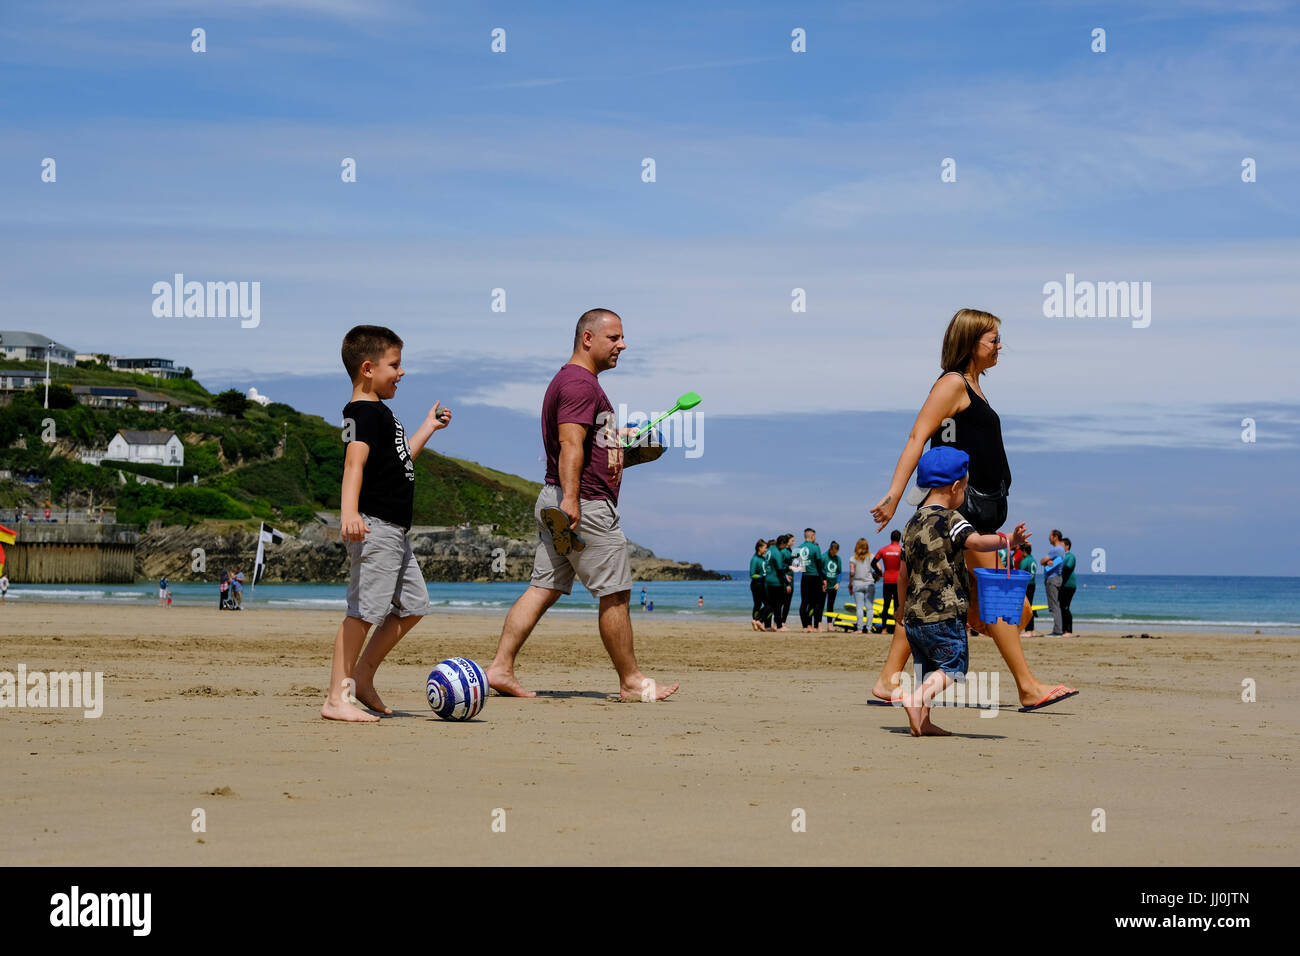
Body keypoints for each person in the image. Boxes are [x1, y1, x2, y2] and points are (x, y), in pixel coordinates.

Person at [869, 308, 1076, 711]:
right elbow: (917, 436)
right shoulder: (952, 384)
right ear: (970, 344)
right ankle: (1028, 687)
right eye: (993, 340)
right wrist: (894, 495)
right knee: (1000, 598)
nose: (1000, 347)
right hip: (963, 514)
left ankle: (888, 679)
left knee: (923, 593)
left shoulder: (974, 386)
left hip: (975, 507)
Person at [486, 309, 678, 701]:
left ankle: (500, 668)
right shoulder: (579, 384)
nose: (622, 345)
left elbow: (588, 443)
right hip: (584, 504)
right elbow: (570, 443)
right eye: (615, 338)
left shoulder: (576, 383)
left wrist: (623, 442)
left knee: (544, 587)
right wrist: (573, 499)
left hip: (560, 498)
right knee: (617, 594)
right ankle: (631, 682)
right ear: (587, 339)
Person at [322, 324, 453, 722]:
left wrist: (427, 427)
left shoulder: (381, 412)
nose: (401, 372)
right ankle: (336, 698)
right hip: (375, 526)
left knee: (414, 605)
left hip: (396, 532)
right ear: (367, 368)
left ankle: (362, 677)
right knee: (362, 612)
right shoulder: (361, 412)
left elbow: (401, 460)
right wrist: (349, 512)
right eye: (395, 364)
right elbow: (353, 463)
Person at [896, 447, 1033, 736]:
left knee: (926, 668)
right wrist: (1009, 539)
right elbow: (978, 543)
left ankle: (922, 720)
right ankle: (915, 699)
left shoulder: (911, 525)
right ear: (957, 486)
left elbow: (903, 574)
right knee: (952, 666)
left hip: (914, 615)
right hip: (944, 612)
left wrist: (900, 608)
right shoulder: (951, 519)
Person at [796, 528, 827, 632]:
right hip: (815, 577)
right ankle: (814, 626)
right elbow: (819, 566)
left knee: (804, 602)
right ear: (812, 536)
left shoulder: (799, 548)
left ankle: (805, 626)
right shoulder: (815, 548)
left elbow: (794, 565)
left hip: (805, 577)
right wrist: (824, 579)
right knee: (815, 603)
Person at [872, 532, 902, 634]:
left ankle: (884, 629)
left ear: (890, 538)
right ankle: (896, 629)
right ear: (900, 538)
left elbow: (873, 562)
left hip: (887, 580)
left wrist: (879, 573)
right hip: (898, 581)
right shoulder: (901, 550)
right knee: (897, 606)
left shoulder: (884, 550)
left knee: (886, 605)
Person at [1041, 529, 1066, 636]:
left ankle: (1057, 630)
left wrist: (1046, 561)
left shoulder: (1056, 550)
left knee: (1054, 605)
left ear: (1055, 537)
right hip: (1058, 578)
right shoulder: (1062, 549)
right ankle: (1058, 629)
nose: (1049, 538)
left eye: (1050, 536)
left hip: (1052, 578)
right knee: (1056, 604)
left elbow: (1042, 561)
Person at [849, 538, 875, 634]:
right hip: (869, 584)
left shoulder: (853, 558)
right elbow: (879, 569)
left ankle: (859, 629)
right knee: (869, 607)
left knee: (859, 607)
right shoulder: (871, 557)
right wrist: (877, 578)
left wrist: (850, 584)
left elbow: (852, 572)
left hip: (857, 583)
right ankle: (869, 629)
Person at [762, 537, 784, 632]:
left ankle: (766, 624)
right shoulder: (776, 552)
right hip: (775, 582)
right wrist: (786, 583)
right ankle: (762, 621)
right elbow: (779, 569)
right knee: (774, 604)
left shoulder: (768, 552)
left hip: (768, 580)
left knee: (770, 604)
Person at [1017, 542, 1038, 636]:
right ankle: (1031, 629)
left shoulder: (1025, 561)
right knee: (1030, 606)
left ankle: (1028, 630)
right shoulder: (1033, 560)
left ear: (1024, 551)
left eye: (1021, 551)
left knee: (1025, 608)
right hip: (1033, 584)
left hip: (1026, 585)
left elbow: (1020, 574)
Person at [1060, 537, 1079, 638]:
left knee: (1066, 607)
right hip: (1062, 585)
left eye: (1061, 545)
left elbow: (1067, 568)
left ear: (1067, 546)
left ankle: (1069, 630)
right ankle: (1063, 629)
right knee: (1061, 607)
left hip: (1069, 585)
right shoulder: (1061, 556)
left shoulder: (1070, 556)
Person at [821, 541, 842, 631]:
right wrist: (823, 580)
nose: (835, 553)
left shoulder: (838, 559)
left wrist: (838, 582)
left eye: (836, 552)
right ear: (830, 549)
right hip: (824, 584)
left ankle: (830, 624)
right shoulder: (824, 557)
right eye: (833, 551)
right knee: (821, 604)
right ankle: (818, 623)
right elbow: (820, 569)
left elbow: (839, 572)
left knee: (830, 605)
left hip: (833, 585)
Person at [749, 539, 769, 631]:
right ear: (759, 548)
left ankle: (756, 620)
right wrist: (762, 576)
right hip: (757, 585)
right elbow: (752, 574)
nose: (766, 550)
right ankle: (757, 620)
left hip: (763, 584)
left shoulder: (763, 558)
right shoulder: (755, 559)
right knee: (759, 604)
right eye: (765, 548)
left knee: (765, 604)